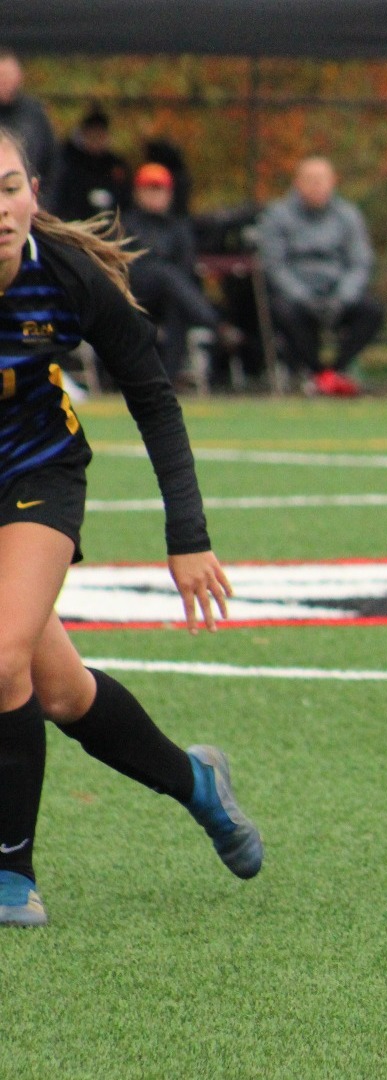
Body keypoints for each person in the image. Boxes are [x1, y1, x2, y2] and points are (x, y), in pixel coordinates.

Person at [0, 129, 261, 928]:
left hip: (36, 476)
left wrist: (187, 535)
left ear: (35, 192)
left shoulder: (70, 277)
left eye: (8, 188)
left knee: (1, 659)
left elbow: (153, 396)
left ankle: (12, 877)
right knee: (62, 692)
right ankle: (196, 782)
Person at [257, 156, 386, 397]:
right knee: (282, 311)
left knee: (372, 310)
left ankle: (335, 371)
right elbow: (275, 266)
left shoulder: (348, 215)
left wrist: (343, 296)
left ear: (333, 182)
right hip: (298, 294)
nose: (316, 186)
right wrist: (304, 297)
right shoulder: (278, 215)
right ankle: (316, 372)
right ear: (297, 183)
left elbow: (360, 262)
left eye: (321, 180)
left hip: (338, 293)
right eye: (310, 180)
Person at [121, 163, 228, 383]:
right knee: (164, 273)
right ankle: (213, 322)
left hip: (172, 295)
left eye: (159, 190)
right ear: (137, 193)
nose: (154, 196)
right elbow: (121, 264)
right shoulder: (126, 224)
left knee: (176, 302)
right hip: (134, 291)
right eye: (149, 189)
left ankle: (165, 378)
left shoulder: (179, 228)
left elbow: (186, 266)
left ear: (169, 194)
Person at [49, 106, 130, 224]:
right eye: (92, 135)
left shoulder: (116, 167)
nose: (96, 141)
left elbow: (125, 203)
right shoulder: (70, 163)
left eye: (100, 136)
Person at [0, 49, 57, 190]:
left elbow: (52, 163)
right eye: (1, 76)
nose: (5, 81)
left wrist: (43, 204)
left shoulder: (34, 114)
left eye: (9, 75)